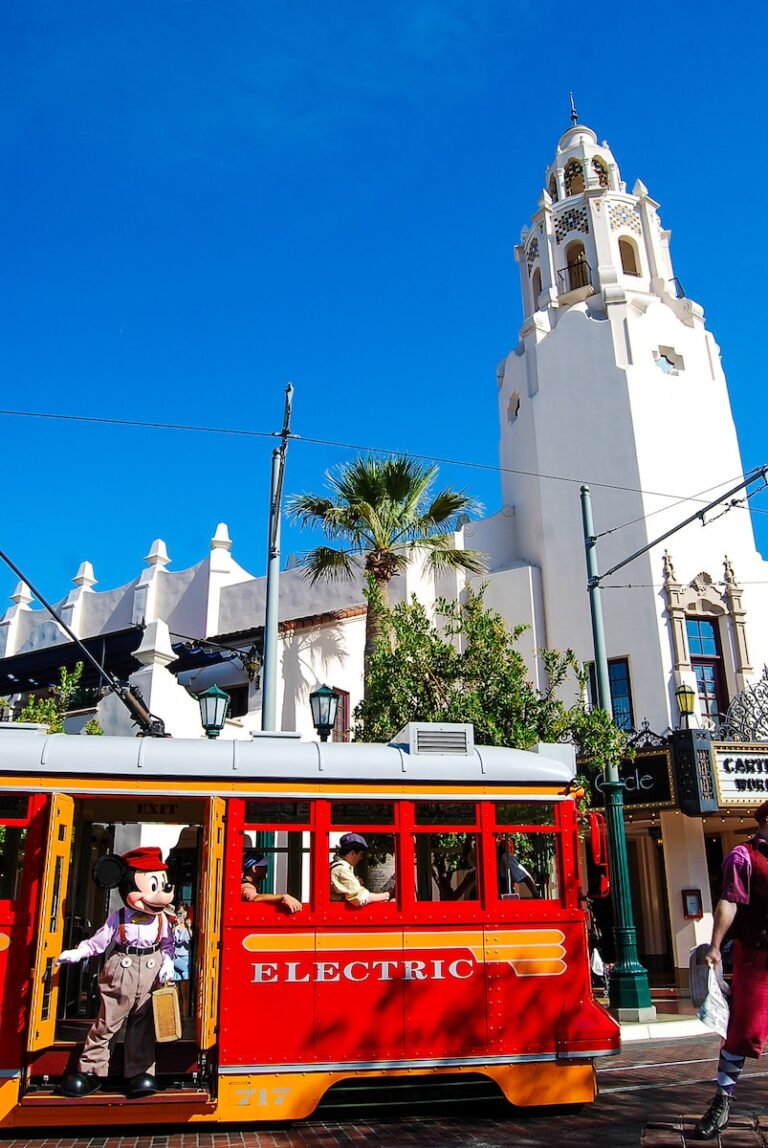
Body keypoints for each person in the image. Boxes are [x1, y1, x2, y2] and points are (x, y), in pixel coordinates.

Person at [55, 846, 176, 1098]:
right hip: (123, 966)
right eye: (153, 886)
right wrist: (78, 952)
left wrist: (167, 963)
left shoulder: (163, 919)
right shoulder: (118, 917)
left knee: (142, 1025)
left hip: (151, 968)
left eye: (163, 885)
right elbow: (99, 942)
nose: (162, 894)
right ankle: (91, 1071)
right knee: (108, 1021)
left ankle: (140, 1072)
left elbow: (167, 945)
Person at [694, 800, 768, 1140]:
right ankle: (722, 1101)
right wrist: (714, 946)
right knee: (745, 1031)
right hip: (757, 954)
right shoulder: (743, 857)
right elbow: (729, 901)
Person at [330, 832, 393, 907]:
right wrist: (387, 895)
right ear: (352, 853)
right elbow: (361, 898)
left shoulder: (337, 867)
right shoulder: (340, 870)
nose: (361, 858)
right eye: (361, 854)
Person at [172, 903, 192, 1017]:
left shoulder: (188, 926)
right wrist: (174, 926)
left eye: (183, 912)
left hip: (185, 958)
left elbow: (191, 939)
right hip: (175, 957)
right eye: (179, 912)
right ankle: (176, 1016)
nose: (182, 914)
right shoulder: (174, 926)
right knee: (176, 991)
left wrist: (188, 927)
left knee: (185, 993)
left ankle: (185, 1016)